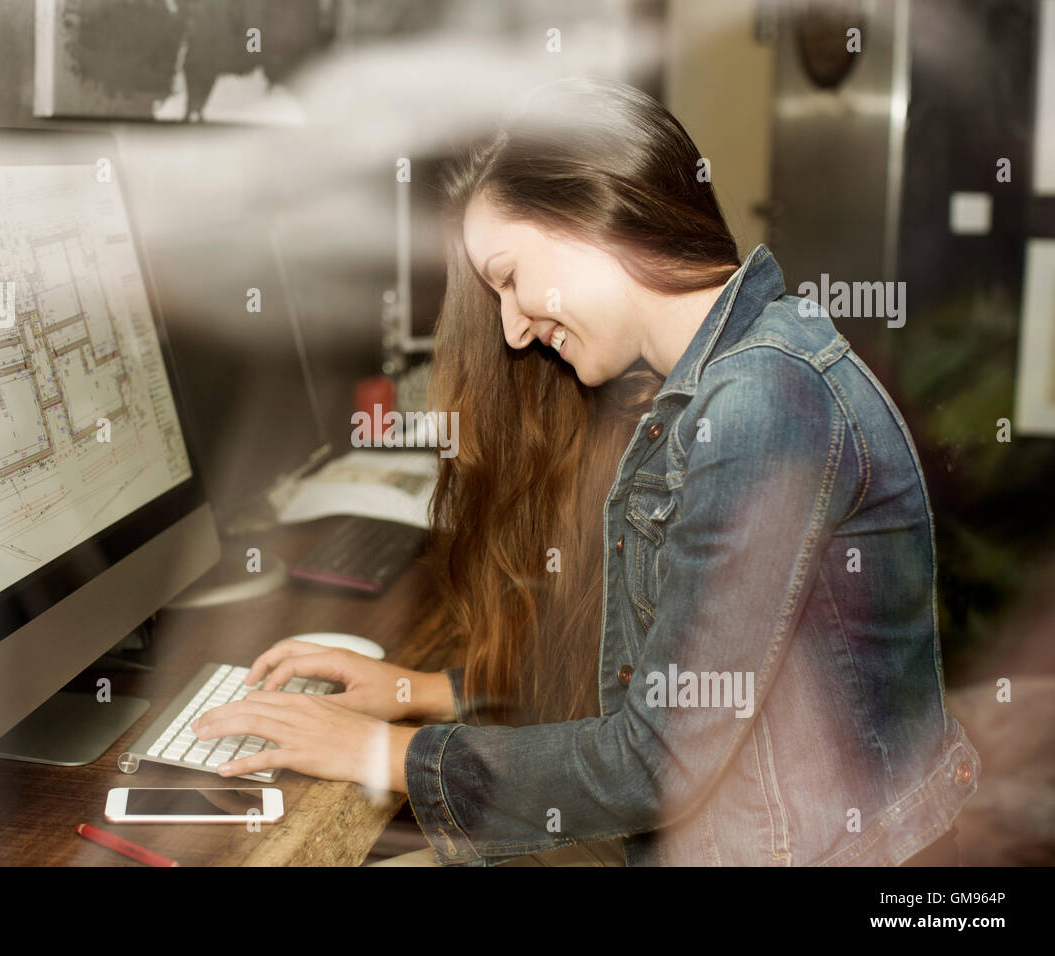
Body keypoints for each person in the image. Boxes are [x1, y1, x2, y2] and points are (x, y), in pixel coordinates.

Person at [188, 77, 979, 866]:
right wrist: (420, 692)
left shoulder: (761, 401)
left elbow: (656, 762)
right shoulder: (712, 383)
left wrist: (379, 754)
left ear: (591, 215)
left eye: (507, 277)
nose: (512, 326)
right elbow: (651, 678)